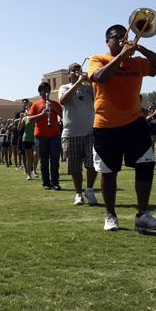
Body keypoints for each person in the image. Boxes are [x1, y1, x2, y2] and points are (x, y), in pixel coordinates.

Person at [88, 25, 156, 232]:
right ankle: (110, 215)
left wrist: (141, 49)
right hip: (106, 124)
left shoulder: (137, 62)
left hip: (134, 123)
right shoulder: (98, 59)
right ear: (107, 41)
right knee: (109, 171)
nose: (122, 40)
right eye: (117, 37)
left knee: (145, 165)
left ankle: (142, 215)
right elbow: (101, 77)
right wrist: (122, 56)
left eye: (125, 36)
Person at [59, 62, 97, 206]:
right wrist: (78, 82)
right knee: (74, 166)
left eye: (79, 70)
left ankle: (90, 189)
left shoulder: (89, 88)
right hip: (71, 132)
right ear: (68, 74)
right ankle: (78, 193)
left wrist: (89, 80)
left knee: (92, 163)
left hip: (90, 131)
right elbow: (64, 100)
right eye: (73, 70)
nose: (77, 72)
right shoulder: (64, 87)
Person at [27, 83, 62, 190]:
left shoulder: (55, 103)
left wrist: (53, 109)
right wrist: (42, 114)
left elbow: (63, 115)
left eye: (48, 89)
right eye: (44, 89)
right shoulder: (36, 105)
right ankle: (46, 182)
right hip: (40, 135)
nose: (46, 91)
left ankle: (55, 182)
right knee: (44, 160)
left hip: (55, 134)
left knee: (55, 159)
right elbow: (30, 119)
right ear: (40, 92)